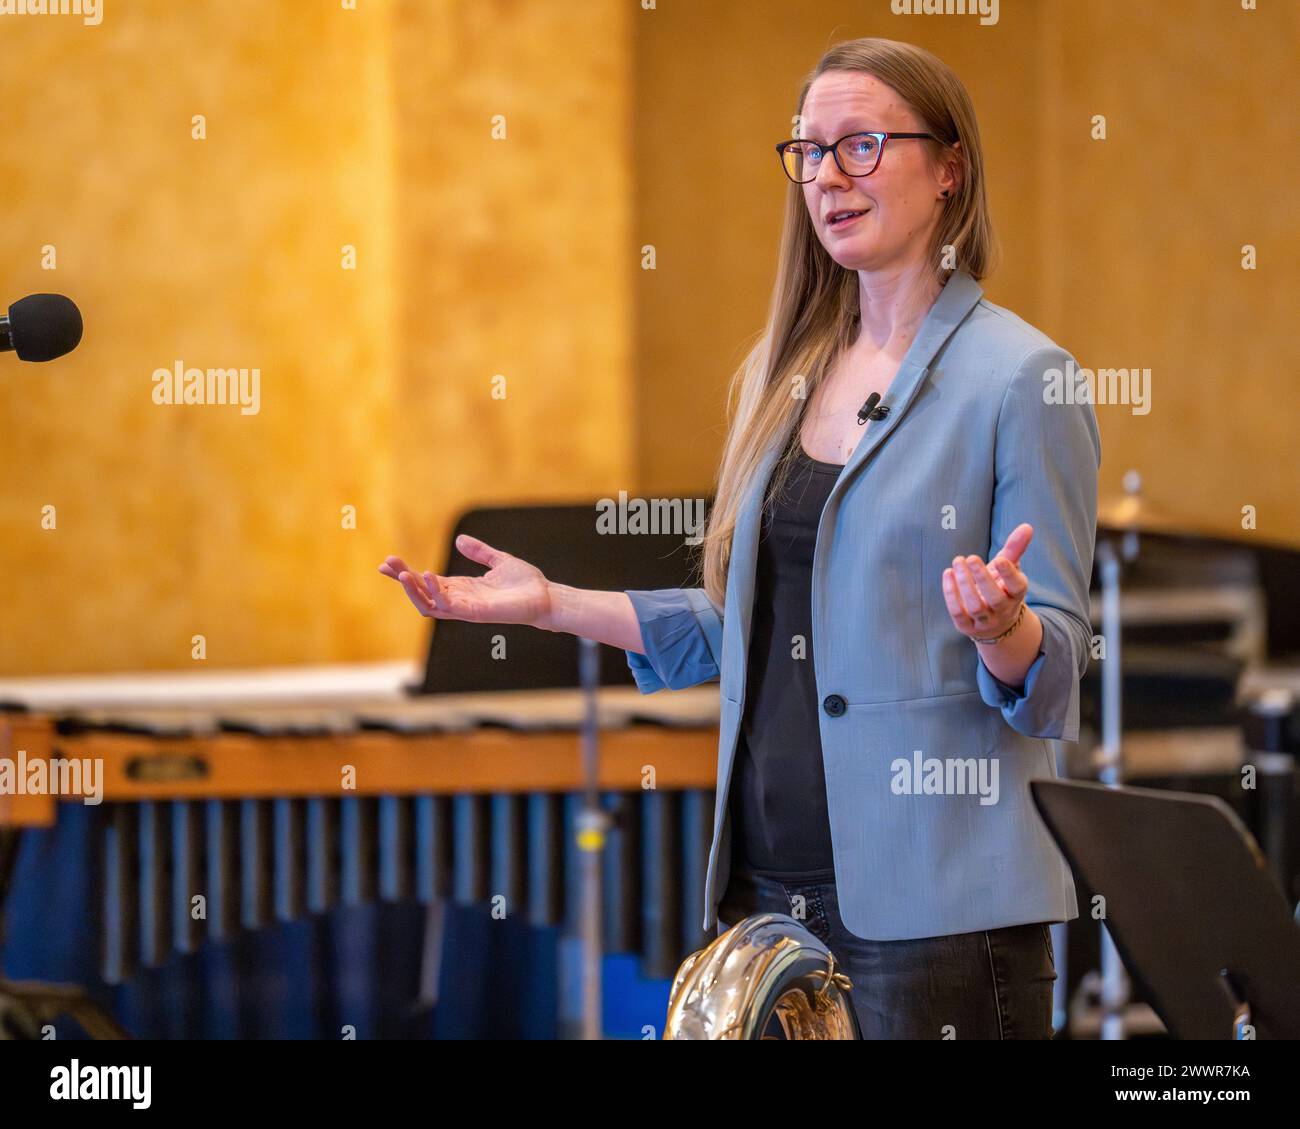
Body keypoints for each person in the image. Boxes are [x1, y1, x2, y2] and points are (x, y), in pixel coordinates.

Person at [380, 36, 1099, 1040]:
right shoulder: (781, 369)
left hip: (938, 909)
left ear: (948, 169)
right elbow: (745, 631)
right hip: (766, 892)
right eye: (807, 152)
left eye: (861, 145)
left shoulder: (1021, 379)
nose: (827, 176)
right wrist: (553, 604)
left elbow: (1063, 666)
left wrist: (1001, 626)